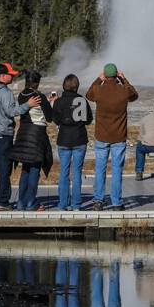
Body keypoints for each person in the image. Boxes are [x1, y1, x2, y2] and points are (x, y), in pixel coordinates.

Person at [0, 62, 38, 211]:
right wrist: (28, 105)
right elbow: (11, 112)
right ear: (3, 76)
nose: (12, 77)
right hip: (2, 133)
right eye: (11, 75)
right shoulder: (5, 92)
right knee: (4, 168)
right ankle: (3, 201)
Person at [85, 63, 138, 209]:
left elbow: (88, 95)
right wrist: (124, 79)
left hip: (102, 135)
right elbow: (134, 95)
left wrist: (98, 79)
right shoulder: (123, 90)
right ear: (116, 75)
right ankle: (116, 202)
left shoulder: (99, 90)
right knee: (116, 170)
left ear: (105, 75)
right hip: (119, 136)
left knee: (100, 168)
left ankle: (98, 201)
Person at [11, 70, 55, 210]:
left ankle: (21, 202)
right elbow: (49, 117)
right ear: (36, 82)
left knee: (25, 169)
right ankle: (31, 202)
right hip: (36, 134)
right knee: (35, 168)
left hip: (23, 133)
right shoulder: (39, 96)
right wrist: (51, 103)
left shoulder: (21, 95)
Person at [49, 73, 91, 210]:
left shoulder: (59, 101)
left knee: (64, 172)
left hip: (64, 139)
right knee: (77, 172)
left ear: (64, 86)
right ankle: (76, 204)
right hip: (79, 138)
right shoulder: (83, 100)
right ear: (77, 86)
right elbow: (89, 120)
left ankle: (62, 204)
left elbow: (55, 119)